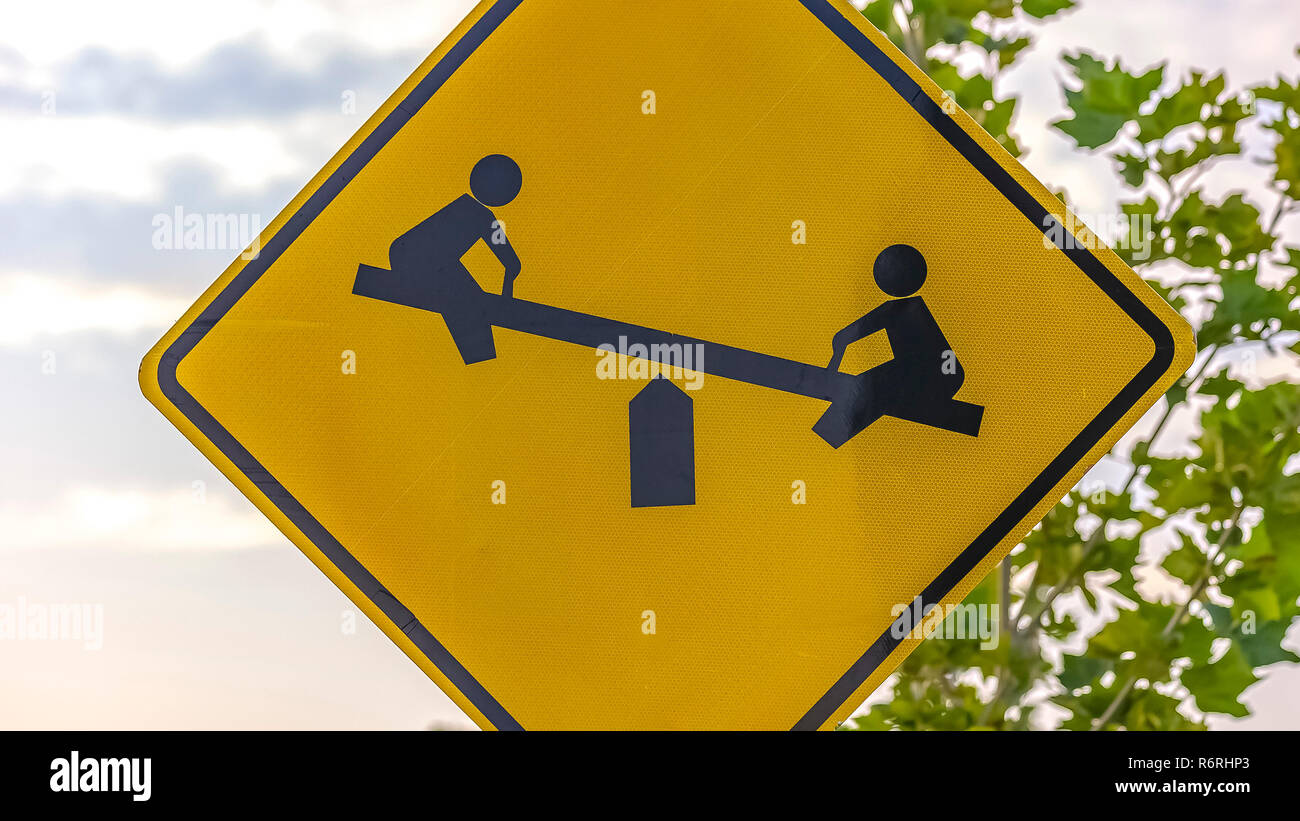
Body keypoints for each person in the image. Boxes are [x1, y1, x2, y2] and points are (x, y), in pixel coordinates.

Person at [813, 244, 967, 445]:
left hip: (936, 380)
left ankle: (827, 434)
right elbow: (844, 337)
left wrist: (832, 366)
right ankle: (827, 435)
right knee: (874, 381)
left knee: (873, 385)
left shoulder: (901, 312)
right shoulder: (909, 310)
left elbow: (843, 337)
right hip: (934, 376)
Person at [386, 154, 523, 364]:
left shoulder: (465, 207)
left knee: (470, 299)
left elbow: (511, 263)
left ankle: (480, 362)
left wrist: (507, 299)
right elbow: (512, 264)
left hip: (410, 256)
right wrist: (507, 300)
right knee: (471, 302)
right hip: (422, 261)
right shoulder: (480, 216)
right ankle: (481, 364)